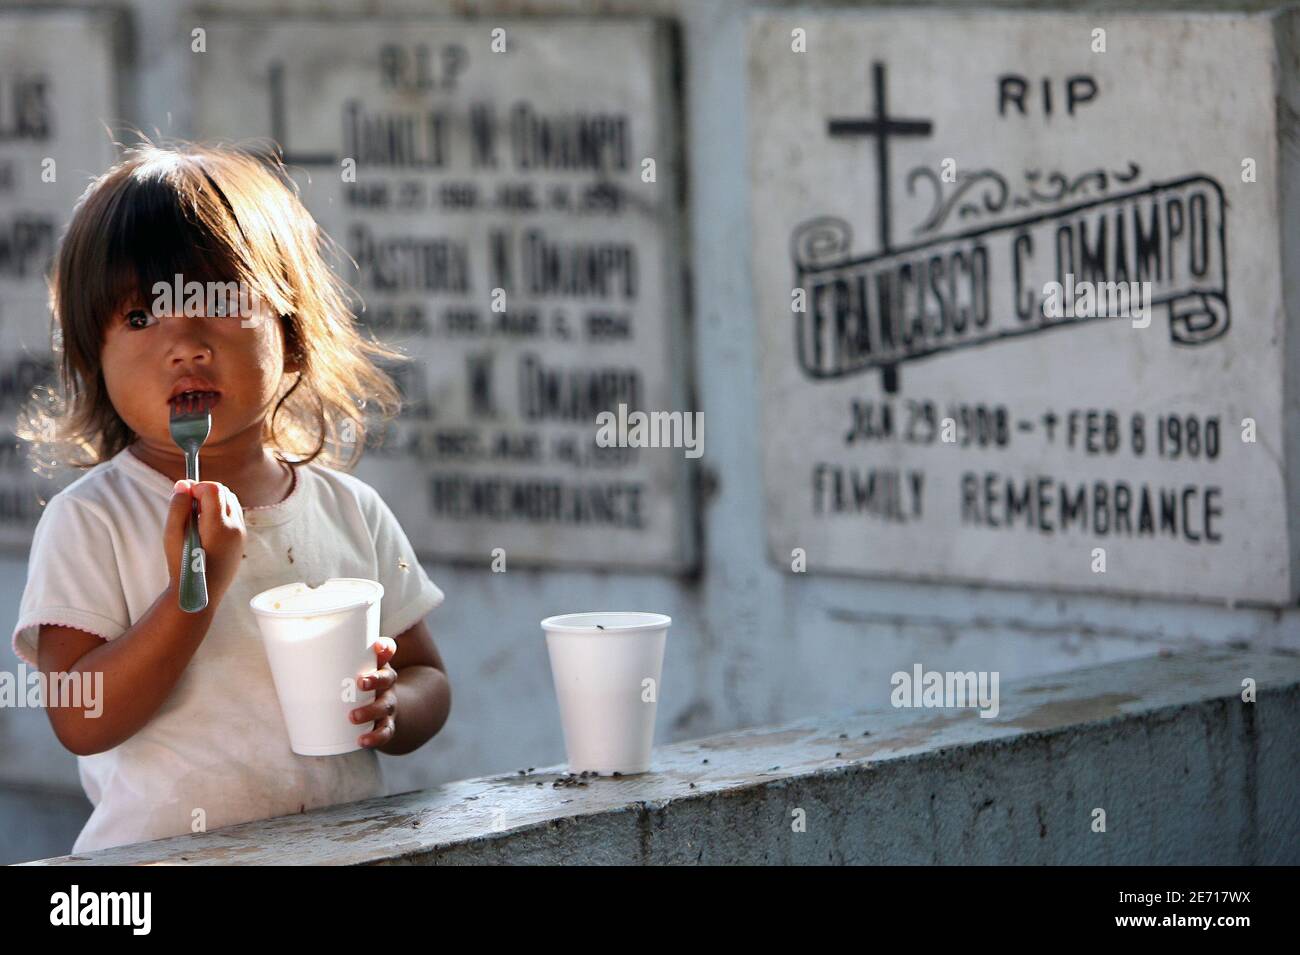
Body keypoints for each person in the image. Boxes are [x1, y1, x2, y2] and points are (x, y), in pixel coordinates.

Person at [9, 139, 452, 854]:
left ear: (293, 336)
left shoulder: (349, 510)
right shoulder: (92, 520)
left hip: (339, 850)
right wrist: (196, 591)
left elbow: (427, 674)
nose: (185, 344)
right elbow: (80, 717)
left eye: (221, 304)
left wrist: (392, 704)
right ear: (95, 361)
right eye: (141, 318)